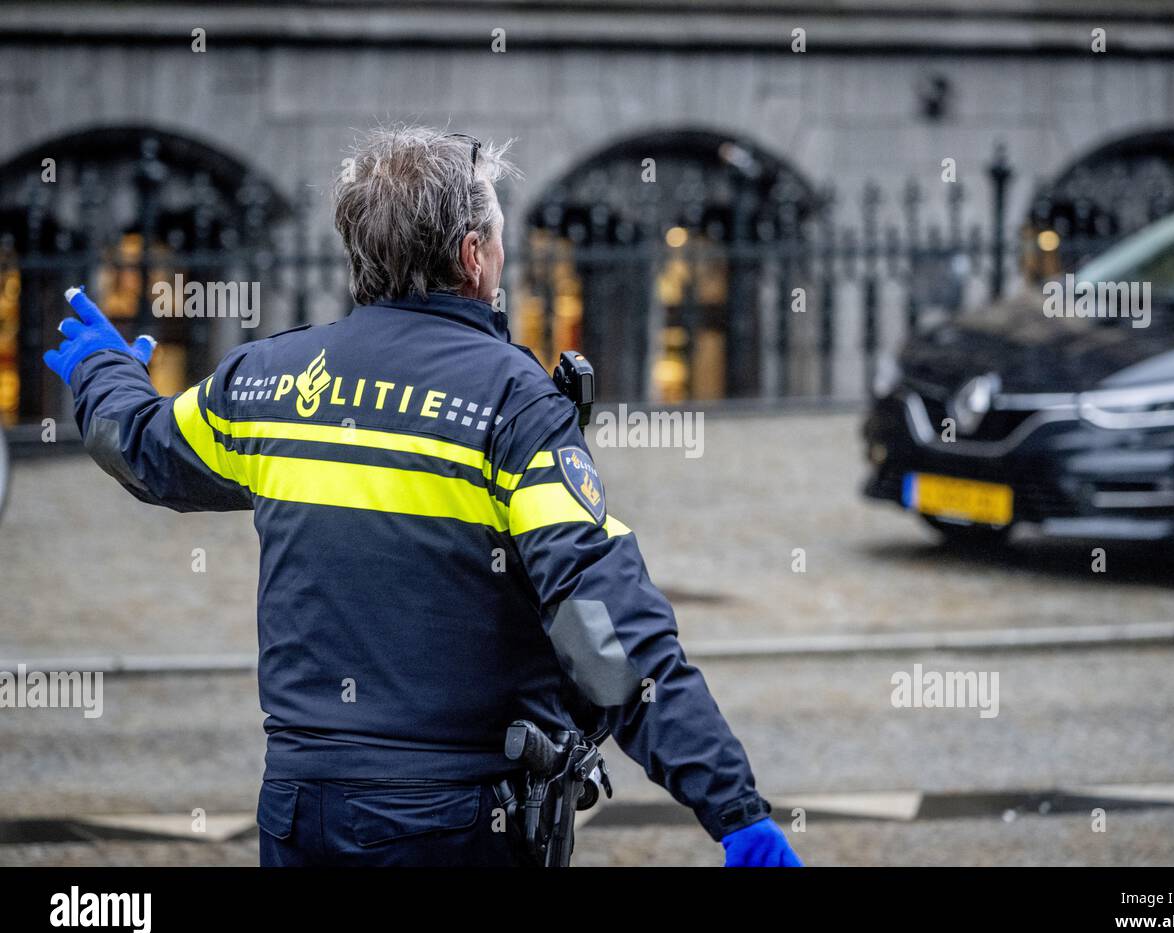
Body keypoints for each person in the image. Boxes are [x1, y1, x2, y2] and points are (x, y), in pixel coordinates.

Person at [44, 125, 801, 867]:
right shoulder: (515, 404)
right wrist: (735, 811)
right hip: (460, 820)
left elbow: (140, 446)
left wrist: (101, 367)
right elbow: (604, 631)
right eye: (498, 236)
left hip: (301, 810)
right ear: (474, 255)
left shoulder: (266, 382)